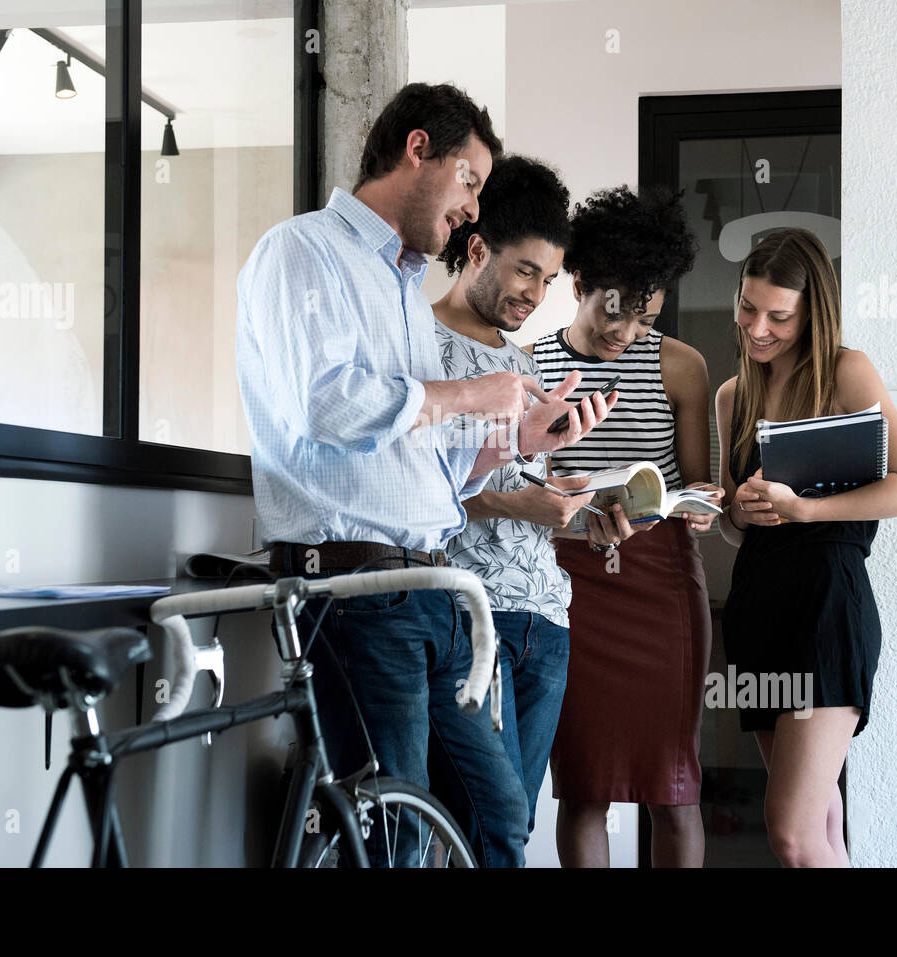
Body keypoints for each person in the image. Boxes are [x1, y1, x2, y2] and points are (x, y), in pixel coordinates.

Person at [234, 83, 617, 867]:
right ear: (417, 150)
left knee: (499, 816)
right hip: (354, 594)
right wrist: (472, 392)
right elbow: (325, 406)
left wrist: (513, 437)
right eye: (469, 180)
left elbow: (431, 467)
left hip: (434, 590)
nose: (473, 210)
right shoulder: (300, 251)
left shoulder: (404, 287)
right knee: (396, 832)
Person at [714, 227, 897, 867]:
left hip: (827, 610)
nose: (758, 328)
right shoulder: (734, 395)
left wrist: (806, 509)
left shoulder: (847, 372)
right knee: (823, 824)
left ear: (813, 313)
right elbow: (735, 525)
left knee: (791, 832)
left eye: (779, 317)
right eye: (748, 308)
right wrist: (738, 510)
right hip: (758, 609)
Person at [529, 185, 722, 867]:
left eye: (645, 319)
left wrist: (688, 505)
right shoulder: (529, 367)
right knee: (585, 787)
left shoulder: (681, 367)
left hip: (661, 585)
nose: (629, 332)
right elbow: (517, 486)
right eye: (619, 314)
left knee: (675, 789)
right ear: (579, 282)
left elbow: (701, 487)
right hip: (568, 588)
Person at [431, 154, 596, 845]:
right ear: (477, 248)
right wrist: (519, 506)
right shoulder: (422, 351)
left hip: (545, 622)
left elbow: (527, 488)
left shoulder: (527, 365)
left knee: (512, 830)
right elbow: (411, 494)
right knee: (472, 825)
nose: (536, 293)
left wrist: (585, 511)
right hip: (469, 617)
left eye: (549, 279)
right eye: (526, 269)